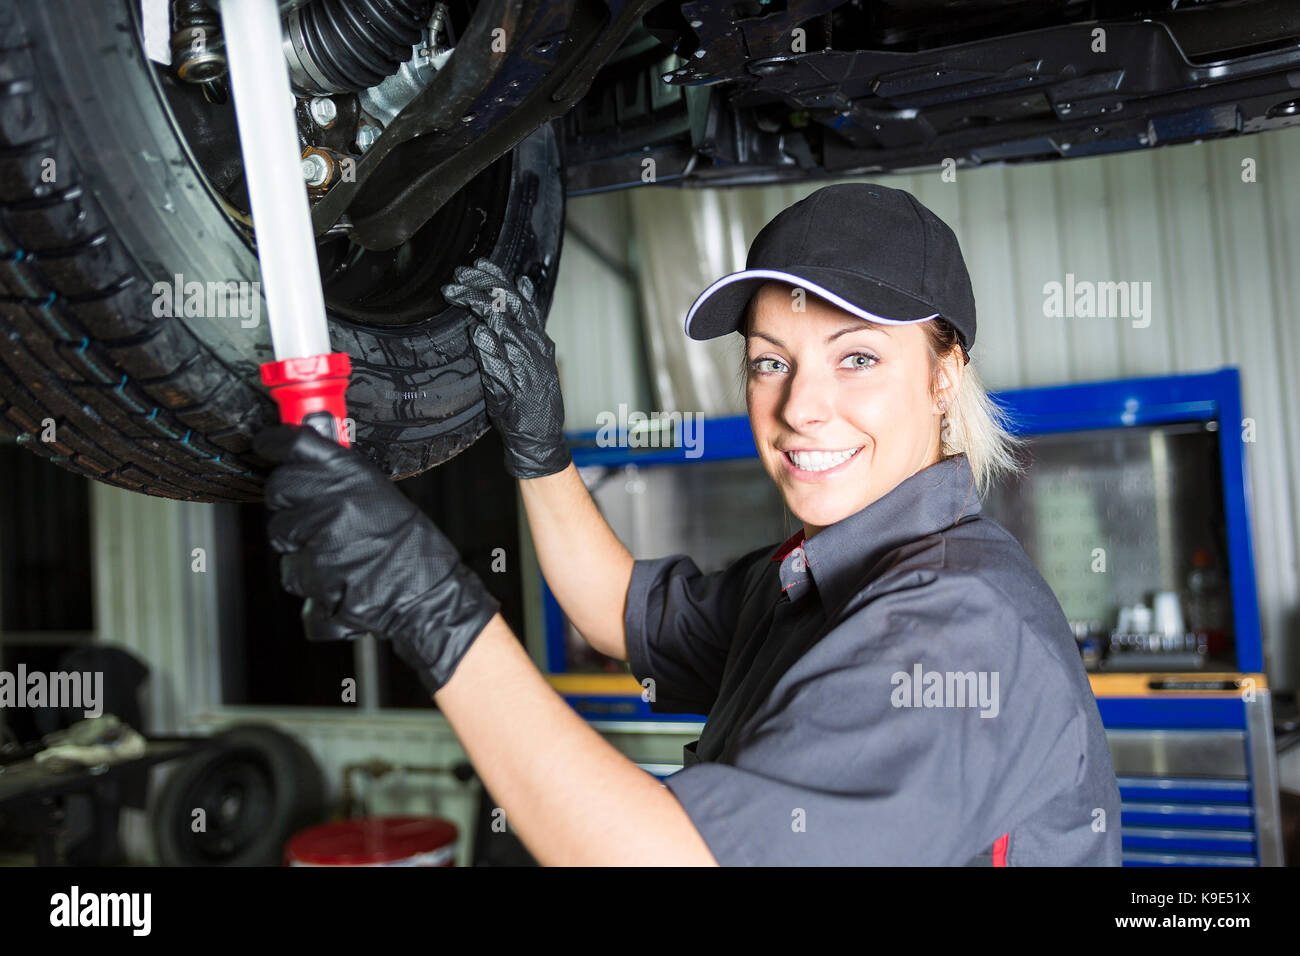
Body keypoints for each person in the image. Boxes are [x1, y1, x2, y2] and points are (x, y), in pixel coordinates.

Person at [256, 183, 1122, 866]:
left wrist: (426, 603)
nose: (800, 409)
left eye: (856, 357)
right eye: (770, 364)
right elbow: (615, 610)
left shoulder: (959, 629)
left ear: (943, 376)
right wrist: (537, 448)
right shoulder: (815, 576)